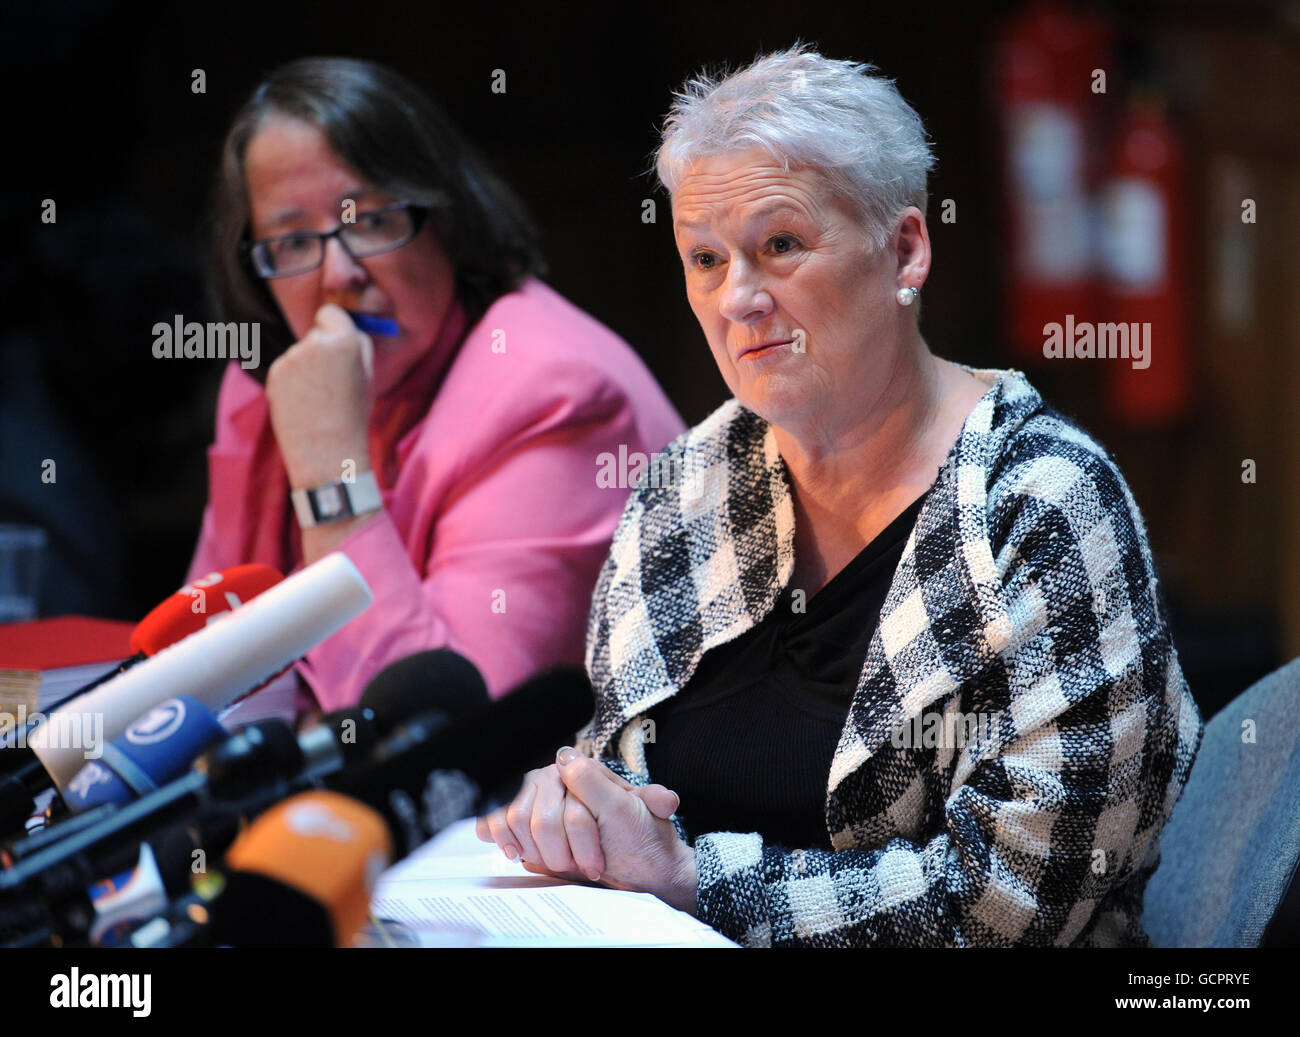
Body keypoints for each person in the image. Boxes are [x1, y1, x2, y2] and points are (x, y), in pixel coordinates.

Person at [477, 45, 1203, 948]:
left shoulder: (1043, 502)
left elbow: (1015, 906)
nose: (738, 299)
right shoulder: (681, 485)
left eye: (781, 246)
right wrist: (581, 809)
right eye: (705, 258)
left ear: (905, 248)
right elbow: (619, 769)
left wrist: (697, 880)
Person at [187, 57, 684, 709]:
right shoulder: (272, 376)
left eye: (369, 221)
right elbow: (200, 660)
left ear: (445, 217)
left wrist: (329, 474)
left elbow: (441, 734)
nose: (337, 273)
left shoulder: (553, 392)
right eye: (292, 242)